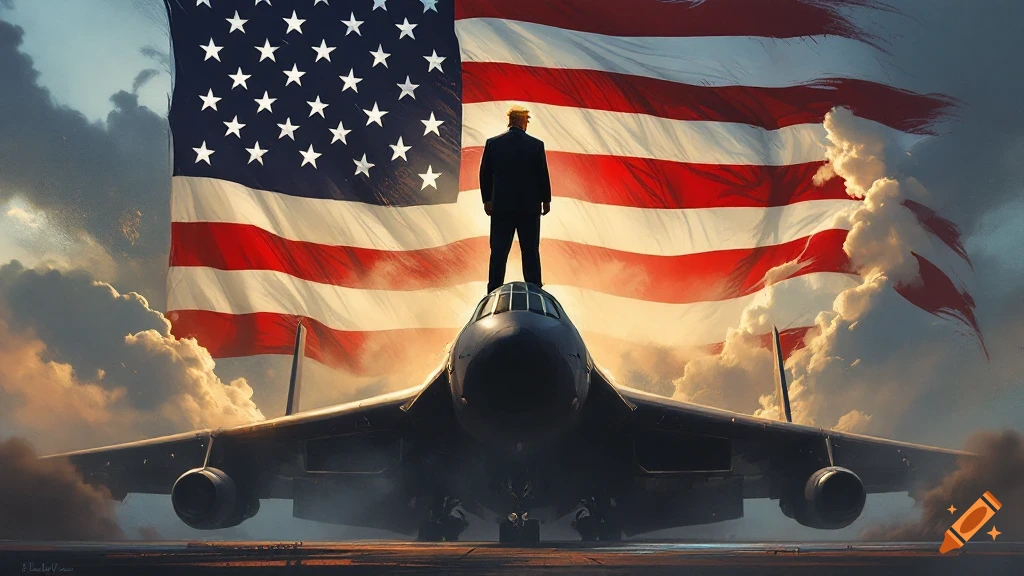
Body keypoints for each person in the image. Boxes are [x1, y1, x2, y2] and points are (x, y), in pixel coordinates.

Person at [479, 105, 552, 294]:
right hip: (529, 208)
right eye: (527, 121)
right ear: (521, 120)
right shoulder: (536, 145)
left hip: (501, 207)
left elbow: (484, 174)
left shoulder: (493, 143)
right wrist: (546, 200)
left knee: (498, 253)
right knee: (530, 251)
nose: (527, 125)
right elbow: (542, 174)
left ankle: (493, 290)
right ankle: (535, 289)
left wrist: (487, 199)